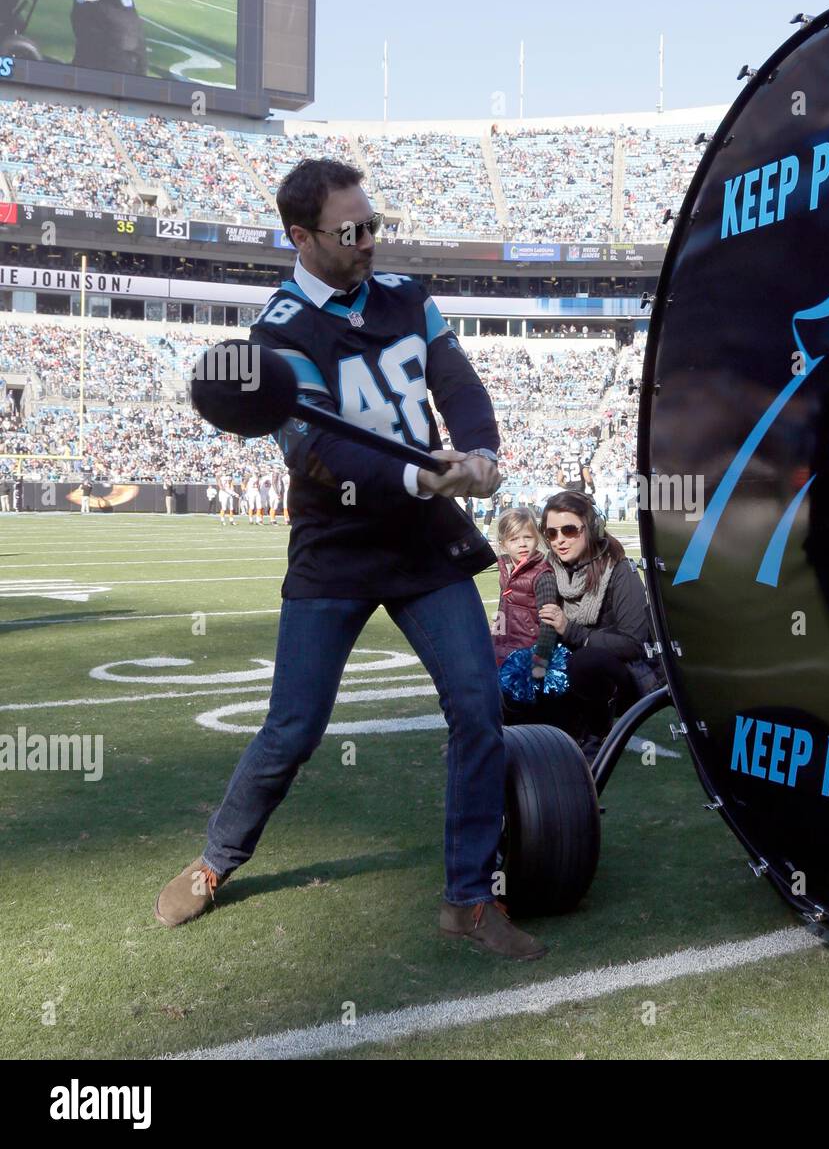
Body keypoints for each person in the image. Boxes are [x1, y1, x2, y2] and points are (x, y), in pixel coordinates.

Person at [154, 158, 544, 961]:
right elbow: (319, 449)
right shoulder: (280, 333)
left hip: (423, 543)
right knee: (294, 726)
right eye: (350, 231)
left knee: (479, 708)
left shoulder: (407, 297)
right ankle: (218, 859)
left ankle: (470, 898)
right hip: (337, 545)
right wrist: (419, 470)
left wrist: (480, 451)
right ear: (300, 236)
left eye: (374, 224)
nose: (368, 240)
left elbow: (458, 382)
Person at [502, 490, 657, 763]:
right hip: (565, 669)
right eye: (551, 533)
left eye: (569, 530)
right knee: (521, 665)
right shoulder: (548, 569)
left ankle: (598, 733)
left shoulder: (620, 571)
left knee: (585, 661)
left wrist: (571, 630)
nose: (560, 540)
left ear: (592, 527)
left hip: (621, 674)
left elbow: (634, 643)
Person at [491, 508, 557, 680]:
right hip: (504, 651)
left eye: (527, 537)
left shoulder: (543, 575)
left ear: (537, 538)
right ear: (503, 543)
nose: (522, 544)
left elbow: (548, 624)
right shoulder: (506, 569)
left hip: (529, 655)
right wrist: (494, 640)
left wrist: (540, 661)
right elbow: (502, 608)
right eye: (514, 539)